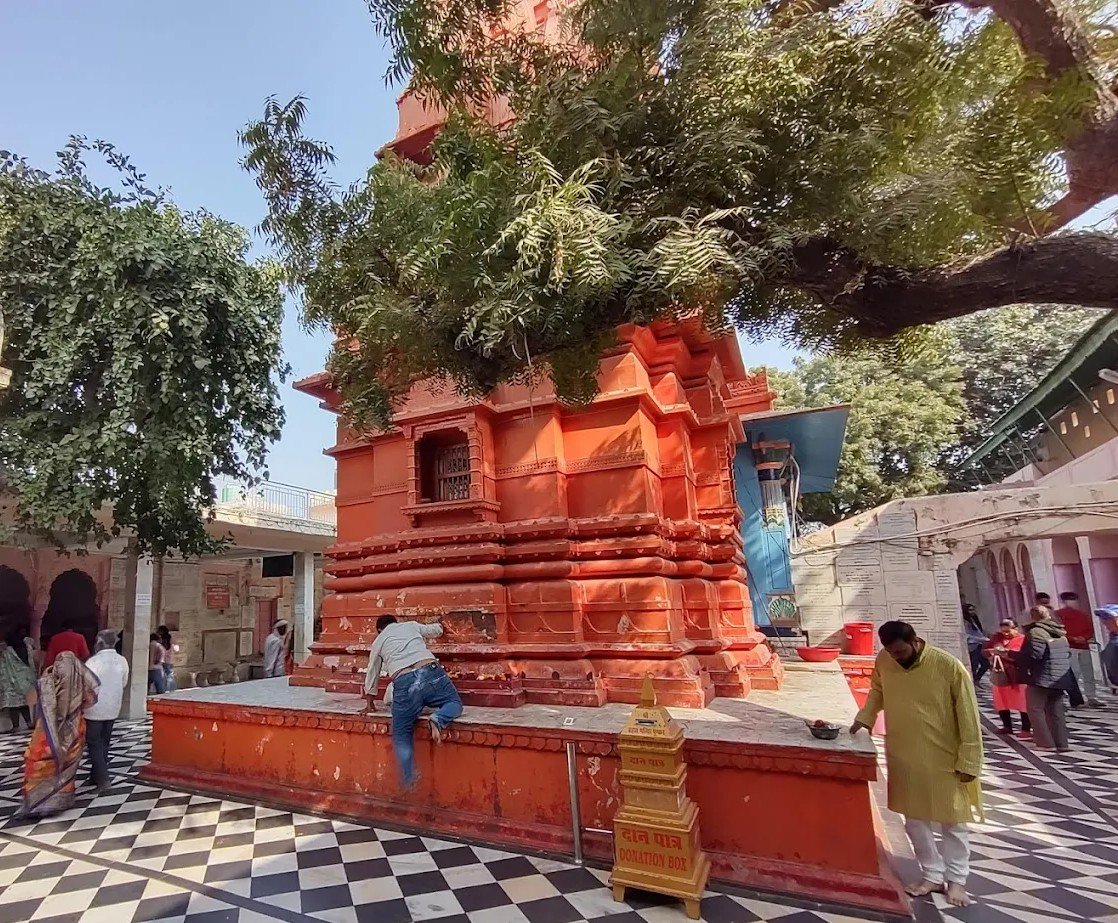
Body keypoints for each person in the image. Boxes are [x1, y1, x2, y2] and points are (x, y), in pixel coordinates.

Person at [850, 621, 983, 908]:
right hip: (905, 753)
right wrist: (865, 717)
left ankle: (957, 880)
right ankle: (932, 874)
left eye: (900, 651)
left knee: (953, 821)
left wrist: (969, 759)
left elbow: (969, 717)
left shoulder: (948, 666)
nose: (896, 657)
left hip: (946, 756)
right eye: (891, 652)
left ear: (915, 641)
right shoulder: (885, 660)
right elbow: (877, 691)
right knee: (914, 821)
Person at [363, 616, 462, 788]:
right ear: (396, 622)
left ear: (378, 630)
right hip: (431, 672)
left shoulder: (379, 641)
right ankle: (439, 718)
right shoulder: (410, 625)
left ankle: (409, 777)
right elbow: (436, 630)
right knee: (454, 703)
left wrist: (369, 702)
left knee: (401, 732)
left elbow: (372, 671)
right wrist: (440, 623)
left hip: (404, 682)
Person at [21, 651, 99, 817]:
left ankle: (38, 802)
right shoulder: (82, 682)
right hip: (75, 728)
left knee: (39, 762)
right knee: (66, 766)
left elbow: (29, 700)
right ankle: (60, 800)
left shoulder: (48, 682)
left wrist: (43, 681)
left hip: (47, 732)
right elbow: (90, 701)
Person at [1018, 605, 1075, 751]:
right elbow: (1067, 653)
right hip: (1060, 675)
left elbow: (1035, 655)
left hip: (1042, 676)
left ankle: (1046, 743)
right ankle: (1062, 743)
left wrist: (1014, 657)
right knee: (1056, 711)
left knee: (1035, 709)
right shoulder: (1059, 630)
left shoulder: (1036, 632)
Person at [84, 629, 129, 793]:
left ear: (100, 642)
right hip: (113, 707)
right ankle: (95, 775)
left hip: (94, 709)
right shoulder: (122, 660)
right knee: (104, 741)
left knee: (94, 743)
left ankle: (103, 780)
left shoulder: (93, 662)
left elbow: (86, 685)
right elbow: (124, 682)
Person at [982, 619, 1031, 736]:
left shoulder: (1023, 639)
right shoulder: (996, 638)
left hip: (1018, 675)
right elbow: (984, 651)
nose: (1006, 634)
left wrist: (1005, 653)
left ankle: (1026, 728)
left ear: (1016, 628)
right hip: (1000, 674)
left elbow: (1022, 656)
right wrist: (992, 652)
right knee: (1001, 701)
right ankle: (1007, 726)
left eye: (1008, 631)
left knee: (1022, 702)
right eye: (1003, 632)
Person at [1054, 592, 1102, 707]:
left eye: (1074, 599)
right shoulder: (1058, 615)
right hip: (1070, 647)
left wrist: (1084, 638)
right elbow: (1058, 631)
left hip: (1084, 646)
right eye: (1069, 600)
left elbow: (1090, 629)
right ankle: (1075, 697)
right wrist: (1072, 638)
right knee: (1074, 672)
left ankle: (1091, 696)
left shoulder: (1083, 615)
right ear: (1063, 601)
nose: (1072, 602)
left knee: (1088, 672)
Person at [0, 627, 36, 732]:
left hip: (12, 681)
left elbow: (3, 667)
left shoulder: (7, 652)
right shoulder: (27, 648)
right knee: (24, 703)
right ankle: (29, 723)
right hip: (26, 679)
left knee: (14, 705)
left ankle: (16, 726)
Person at [963, 605, 988, 684]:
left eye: (973, 610)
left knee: (985, 664)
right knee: (974, 666)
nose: (972, 612)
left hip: (978, 645)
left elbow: (978, 632)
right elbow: (967, 636)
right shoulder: (965, 622)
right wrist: (982, 639)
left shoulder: (973, 620)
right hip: (972, 647)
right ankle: (972, 682)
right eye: (970, 610)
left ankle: (976, 680)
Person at [157, 626, 177, 693]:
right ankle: (170, 690)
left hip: (161, 660)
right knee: (170, 676)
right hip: (169, 660)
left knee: (163, 676)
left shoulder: (159, 640)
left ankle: (165, 689)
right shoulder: (171, 639)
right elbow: (176, 649)